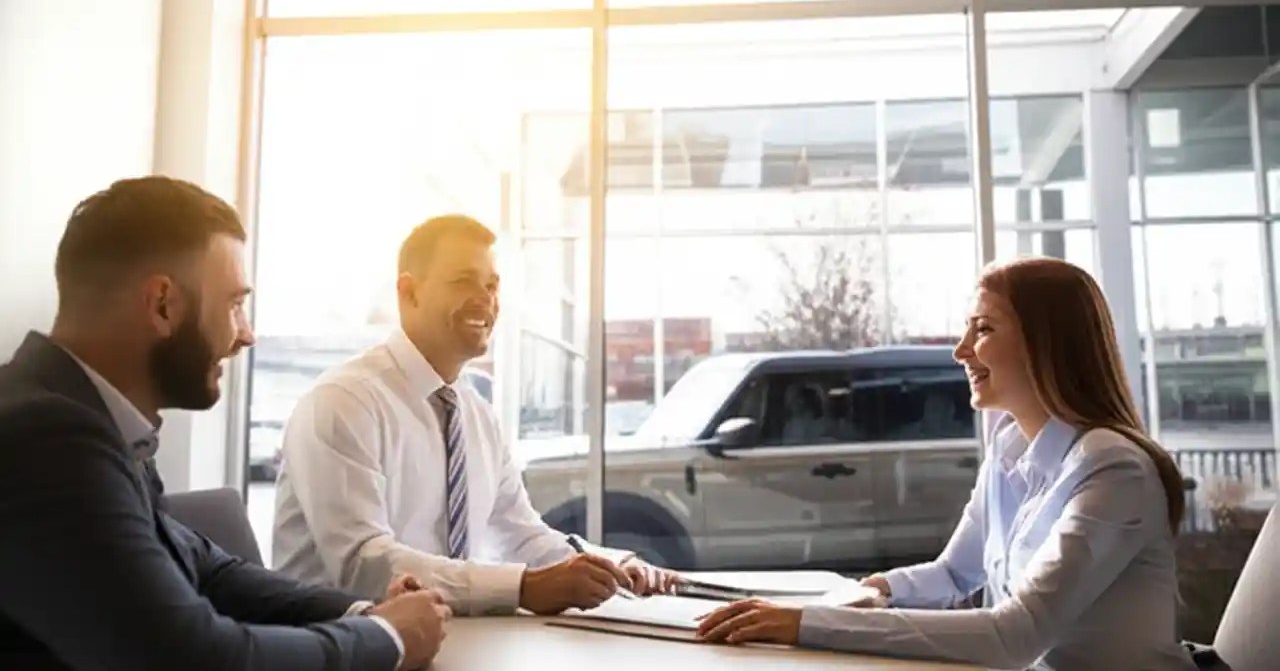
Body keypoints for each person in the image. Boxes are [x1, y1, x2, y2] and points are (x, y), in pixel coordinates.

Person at [0, 177, 450, 671]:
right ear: (163, 305)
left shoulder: (88, 419)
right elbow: (194, 658)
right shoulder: (48, 439)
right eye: (234, 304)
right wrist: (388, 639)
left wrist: (366, 612)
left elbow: (203, 566)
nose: (247, 334)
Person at [697, 257, 1197, 670]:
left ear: (1048, 344)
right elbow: (956, 573)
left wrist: (803, 624)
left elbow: (1015, 635)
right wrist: (877, 590)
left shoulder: (1112, 469)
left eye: (983, 329)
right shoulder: (1008, 448)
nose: (960, 351)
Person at [273, 214, 681, 616]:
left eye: (491, 284)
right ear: (409, 293)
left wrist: (612, 568)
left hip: (444, 640)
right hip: (337, 649)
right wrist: (522, 588)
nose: (485, 298)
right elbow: (363, 564)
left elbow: (518, 532)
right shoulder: (343, 402)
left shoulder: (476, 414)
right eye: (462, 281)